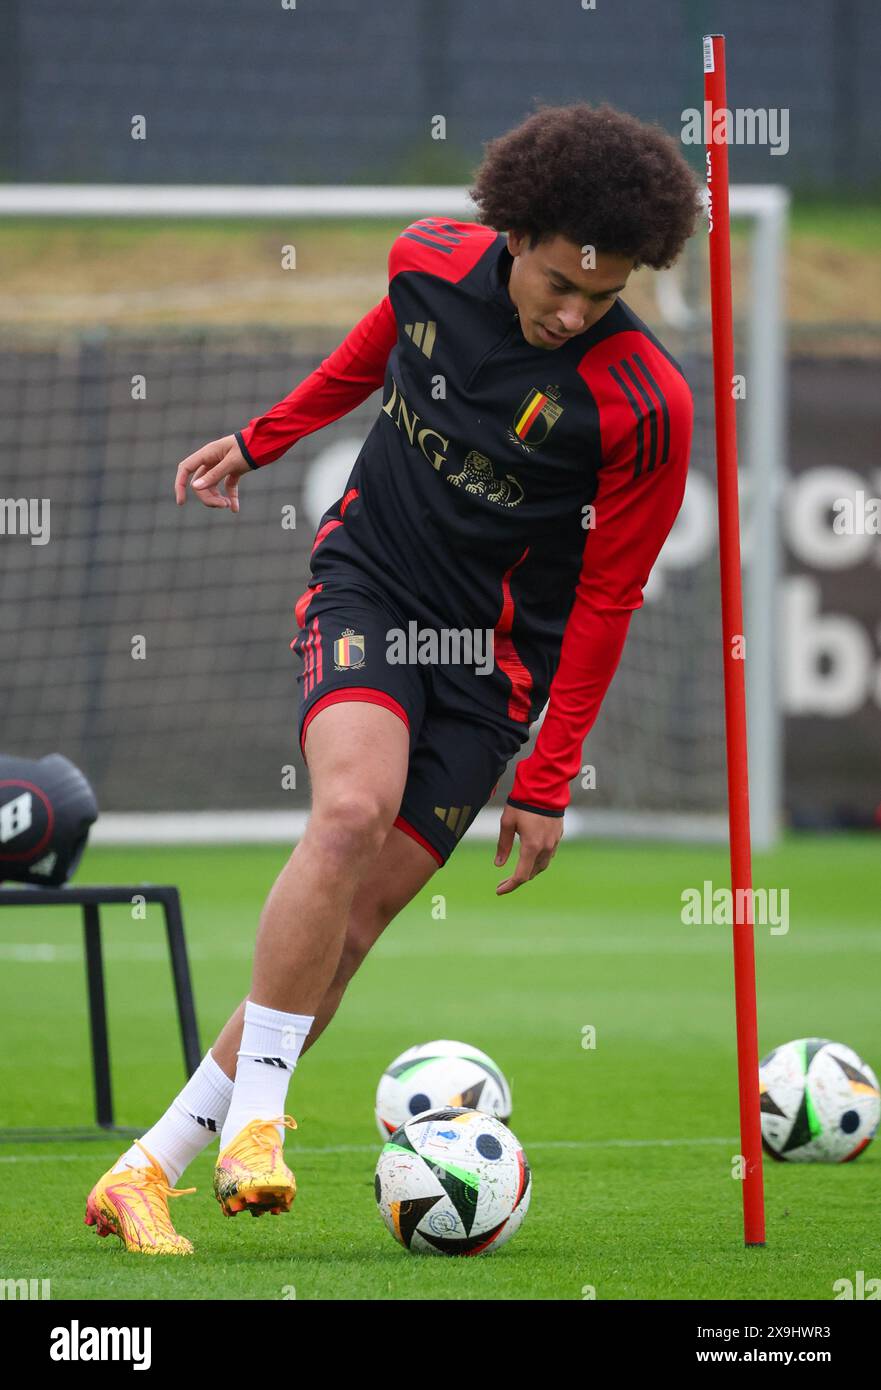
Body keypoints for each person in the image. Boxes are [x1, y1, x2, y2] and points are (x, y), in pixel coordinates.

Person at [84, 103, 701, 1254]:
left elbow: (609, 598)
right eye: (559, 283)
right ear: (511, 234)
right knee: (351, 810)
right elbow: (379, 348)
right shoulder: (426, 259)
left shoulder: (643, 404)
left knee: (352, 928)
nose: (574, 313)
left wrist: (550, 776)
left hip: (489, 667)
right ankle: (259, 1119)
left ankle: (143, 1170)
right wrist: (264, 435)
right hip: (367, 586)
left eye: (603, 296)